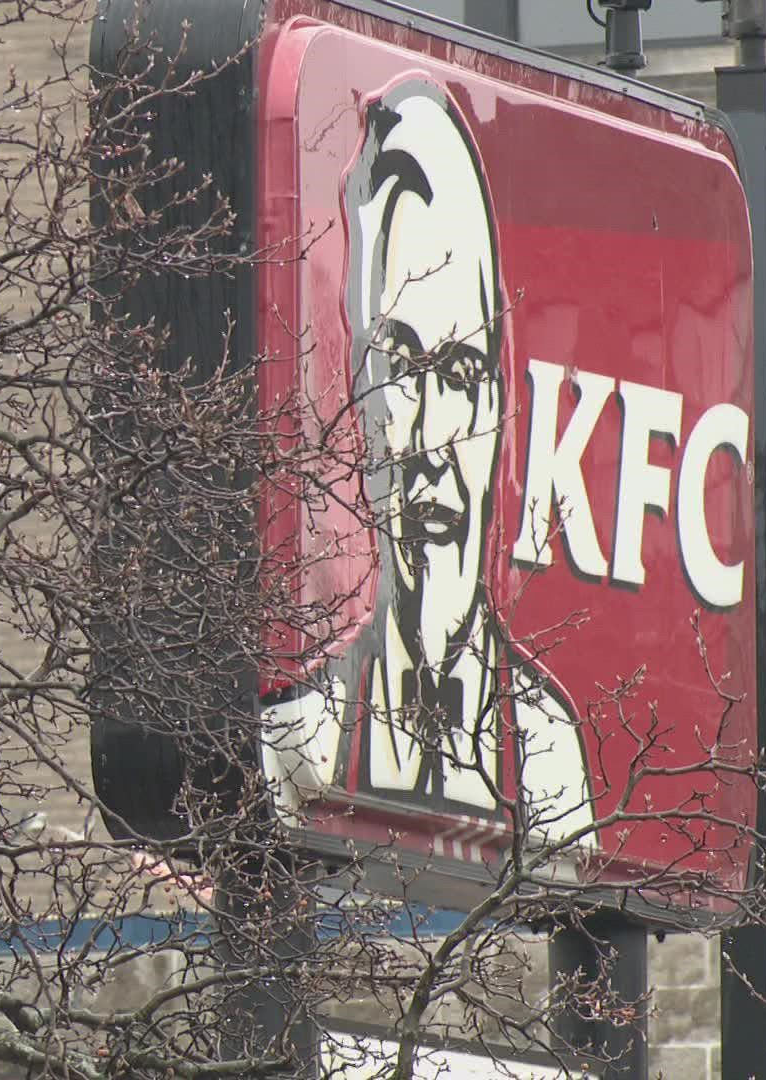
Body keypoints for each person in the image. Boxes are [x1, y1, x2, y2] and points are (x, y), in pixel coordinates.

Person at [262, 78, 593, 851]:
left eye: (462, 375)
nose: (435, 442)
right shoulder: (303, 736)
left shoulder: (547, 758)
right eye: (402, 366)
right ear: (354, 392)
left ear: (499, 408)